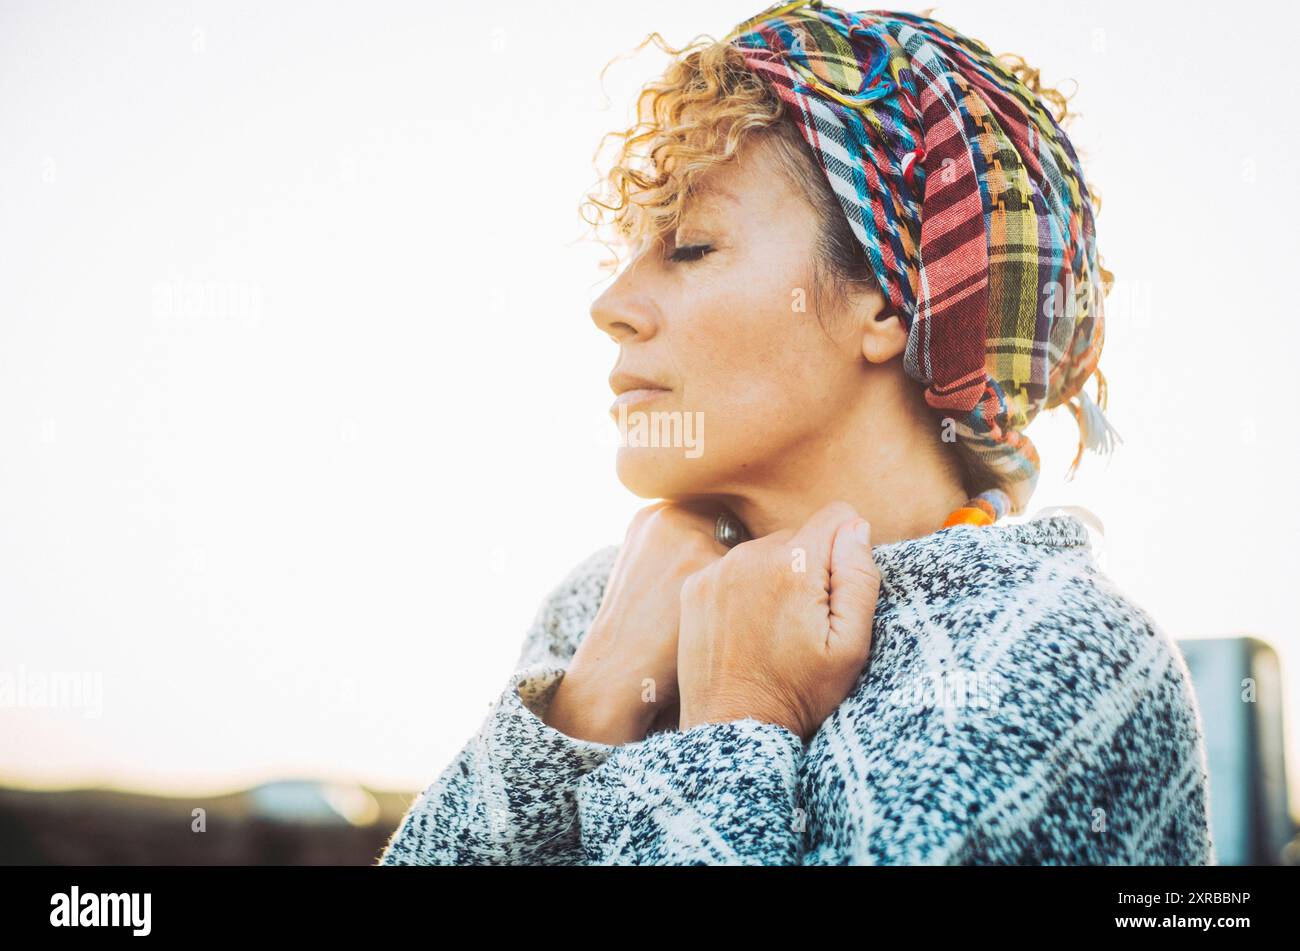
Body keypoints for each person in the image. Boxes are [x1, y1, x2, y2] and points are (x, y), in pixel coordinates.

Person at [379, 0, 1214, 865]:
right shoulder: (605, 605)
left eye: (691, 247)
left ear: (892, 299)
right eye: (628, 252)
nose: (610, 306)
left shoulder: (1058, 654)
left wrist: (736, 714)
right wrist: (587, 706)